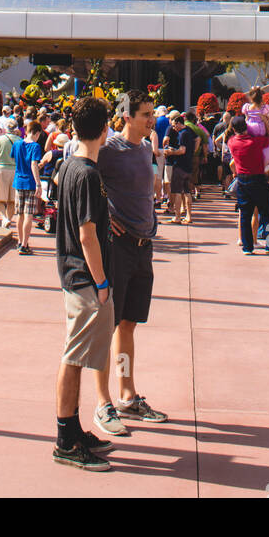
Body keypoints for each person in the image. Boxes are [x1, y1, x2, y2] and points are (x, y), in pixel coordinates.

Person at [93, 89, 168, 437]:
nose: (151, 119)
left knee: (128, 325)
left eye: (152, 113)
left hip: (144, 246)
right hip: (118, 249)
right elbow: (74, 180)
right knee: (107, 326)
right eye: (145, 114)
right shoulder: (108, 150)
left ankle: (127, 395)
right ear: (127, 117)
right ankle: (102, 402)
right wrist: (106, 216)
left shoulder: (144, 149)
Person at [53, 95, 116, 470]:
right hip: (84, 278)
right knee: (74, 357)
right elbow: (87, 234)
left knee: (76, 355)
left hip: (73, 274)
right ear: (104, 129)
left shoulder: (70, 167)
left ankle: (73, 429)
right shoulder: (88, 174)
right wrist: (102, 281)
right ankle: (65, 438)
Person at [227, 115, 269, 256]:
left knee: (245, 214)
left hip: (242, 179)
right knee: (268, 213)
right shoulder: (255, 142)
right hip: (258, 178)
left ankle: (247, 246)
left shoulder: (232, 142)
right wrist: (264, 121)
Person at [12, 121, 44, 254]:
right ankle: (25, 244)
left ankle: (20, 241)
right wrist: (38, 183)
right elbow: (33, 164)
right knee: (28, 214)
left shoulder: (17, 144)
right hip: (30, 182)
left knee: (19, 214)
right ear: (36, 133)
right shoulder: (35, 146)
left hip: (18, 181)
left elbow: (15, 159)